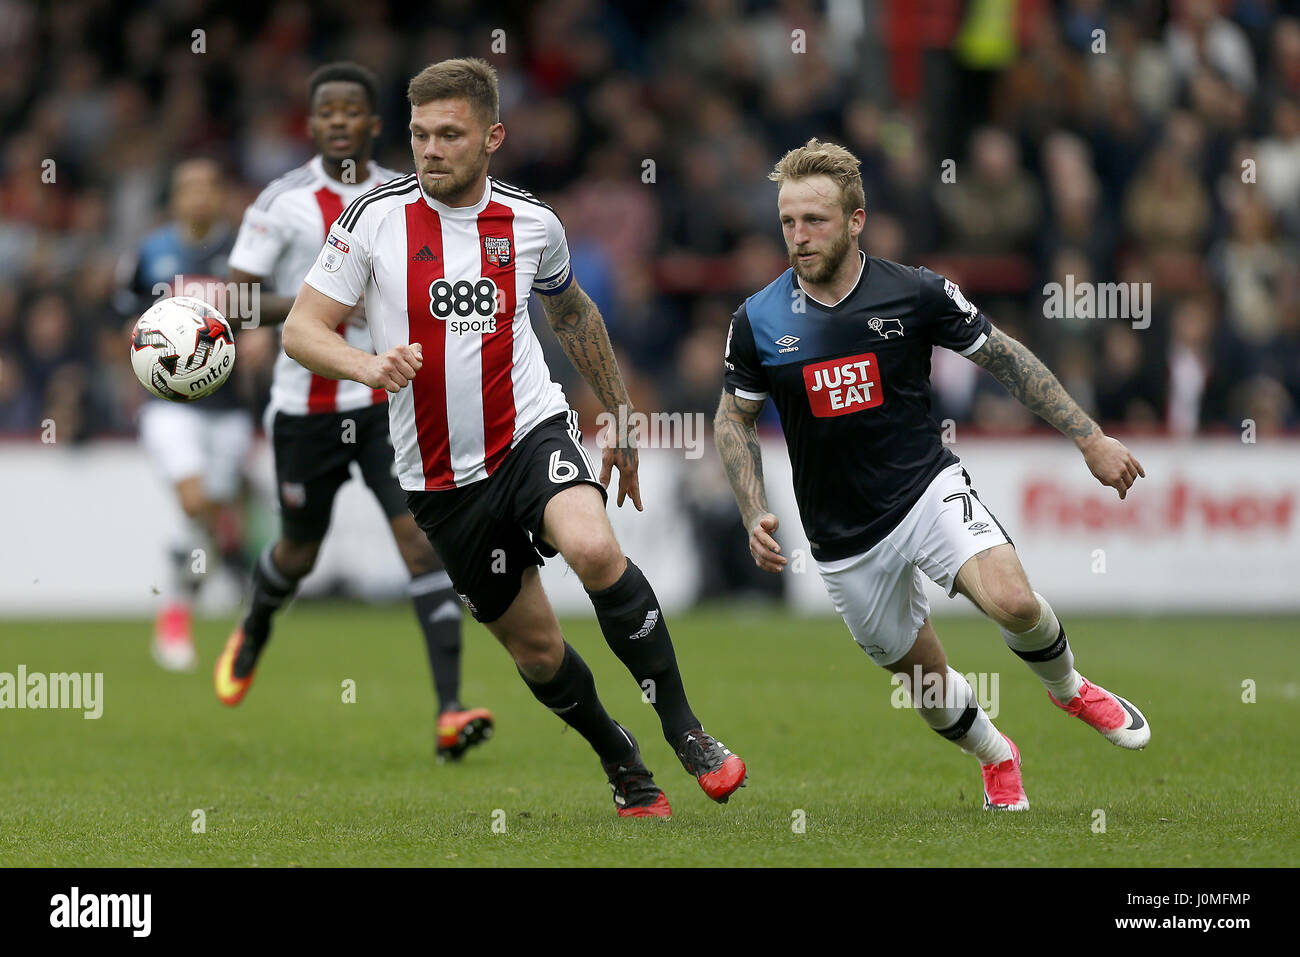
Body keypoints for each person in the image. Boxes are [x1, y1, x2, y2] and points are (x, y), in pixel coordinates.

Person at [281, 57, 746, 817]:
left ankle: (687, 728)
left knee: (594, 548)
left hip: (531, 431)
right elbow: (303, 329)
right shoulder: (372, 219)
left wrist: (623, 415)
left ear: (492, 136)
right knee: (537, 650)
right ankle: (621, 757)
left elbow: (573, 315)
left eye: (450, 135)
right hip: (438, 479)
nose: (430, 149)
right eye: (420, 134)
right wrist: (367, 362)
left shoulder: (532, 223)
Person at [714, 139, 1151, 810]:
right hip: (843, 537)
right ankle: (997, 754)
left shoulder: (914, 292)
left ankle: (1070, 688)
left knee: (1013, 601)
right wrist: (752, 508)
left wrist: (1088, 436)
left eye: (816, 220)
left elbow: (1004, 357)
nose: (798, 237)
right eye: (788, 222)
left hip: (925, 489)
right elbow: (731, 419)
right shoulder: (759, 320)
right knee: (925, 683)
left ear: (856, 220)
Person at [214, 63, 493, 761]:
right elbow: (236, 302)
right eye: (326, 112)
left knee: (418, 542)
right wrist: (326, 301)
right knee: (298, 551)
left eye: (352, 111)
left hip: (385, 399)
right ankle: (254, 624)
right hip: (304, 403)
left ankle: (450, 709)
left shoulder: (408, 196)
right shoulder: (282, 201)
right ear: (311, 125)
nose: (338, 121)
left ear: (374, 124)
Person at [116, 158, 252, 672]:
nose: (197, 197)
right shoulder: (149, 252)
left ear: (221, 196)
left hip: (229, 407)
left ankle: (177, 607)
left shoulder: (245, 251)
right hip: (168, 405)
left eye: (207, 187)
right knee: (194, 501)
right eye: (187, 188)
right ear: (174, 198)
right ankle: (179, 616)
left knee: (209, 520)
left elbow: (269, 311)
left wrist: (261, 339)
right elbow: (120, 316)